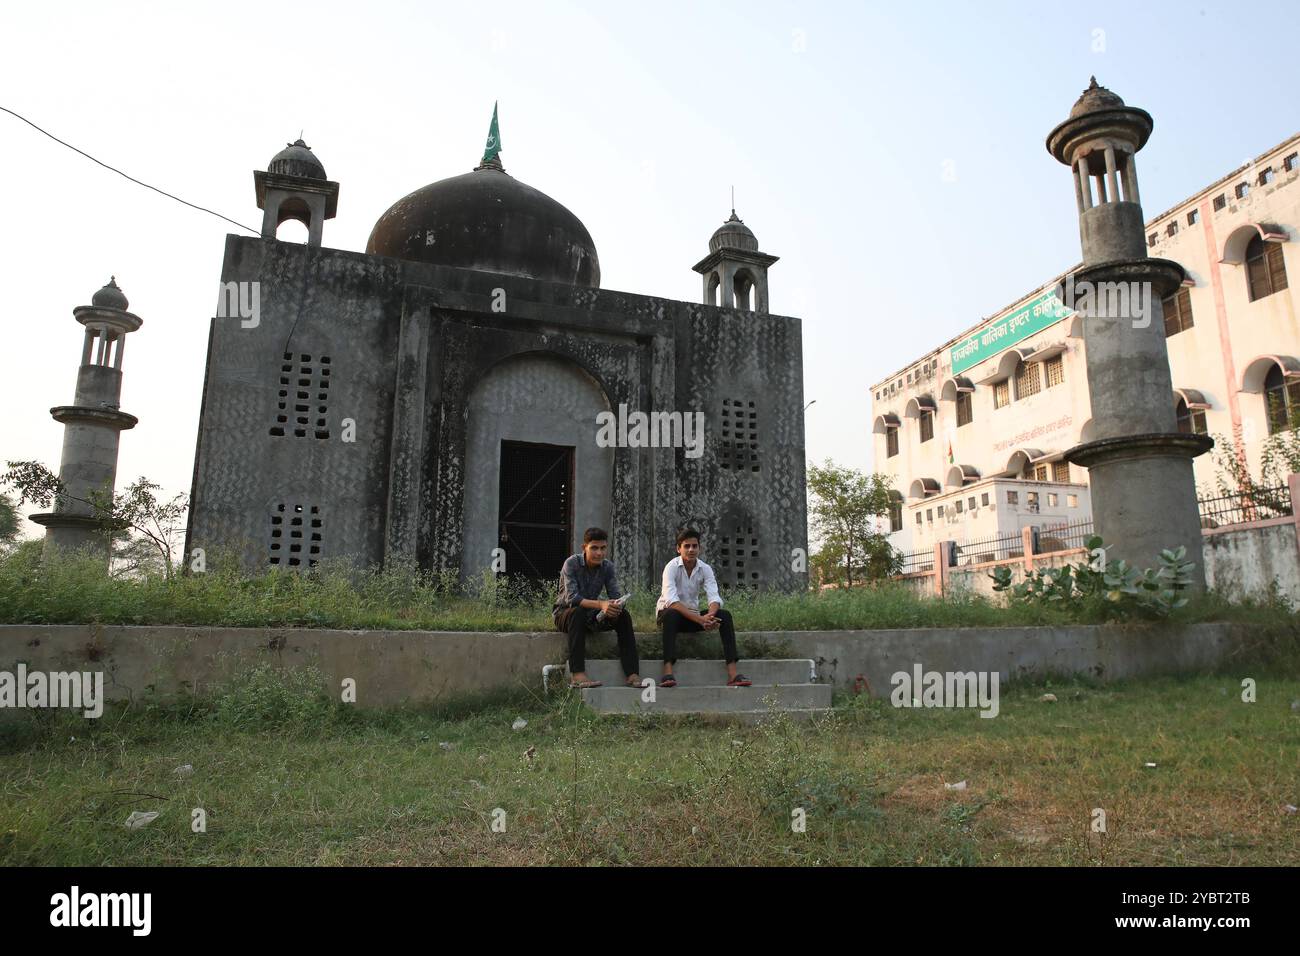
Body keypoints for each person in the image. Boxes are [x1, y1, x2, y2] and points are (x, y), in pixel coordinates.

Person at [655, 528, 750, 688]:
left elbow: (714, 596)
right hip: (671, 615)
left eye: (694, 546)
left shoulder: (705, 568)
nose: (691, 550)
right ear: (679, 549)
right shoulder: (671, 567)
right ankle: (667, 671)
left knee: (724, 615)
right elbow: (672, 601)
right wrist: (701, 620)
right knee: (671, 614)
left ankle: (733, 673)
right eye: (687, 546)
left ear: (700, 548)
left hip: (693, 616)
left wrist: (710, 616)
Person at [553, 527, 641, 689]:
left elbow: (615, 594)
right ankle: (578, 675)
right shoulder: (571, 563)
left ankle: (632, 674)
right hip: (565, 614)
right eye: (594, 548)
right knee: (577, 612)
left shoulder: (607, 567)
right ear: (584, 548)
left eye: (603, 548)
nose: (599, 553)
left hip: (592, 616)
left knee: (624, 615)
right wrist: (602, 604)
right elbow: (572, 598)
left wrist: (615, 606)